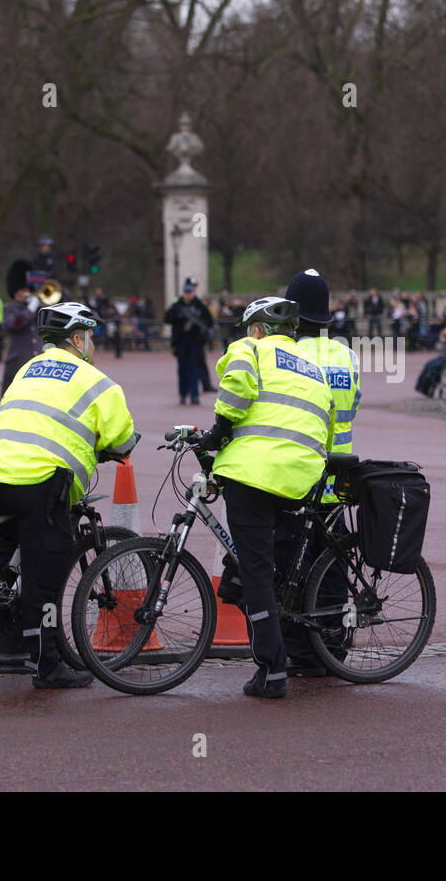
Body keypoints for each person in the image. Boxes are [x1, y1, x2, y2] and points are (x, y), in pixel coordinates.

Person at [0, 301, 137, 688]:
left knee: (9, 554)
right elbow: (124, 439)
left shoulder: (26, 369)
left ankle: (5, 622)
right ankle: (47, 666)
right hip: (39, 483)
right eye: (91, 338)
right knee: (45, 576)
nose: (93, 346)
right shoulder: (97, 382)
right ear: (78, 339)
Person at [197, 296, 334, 699]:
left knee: (255, 570)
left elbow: (237, 392)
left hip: (254, 473)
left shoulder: (249, 349)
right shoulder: (313, 368)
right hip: (301, 476)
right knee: (261, 569)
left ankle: (273, 672)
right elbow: (323, 424)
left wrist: (218, 432)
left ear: (257, 329)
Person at [280, 269, 361, 677]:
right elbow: (353, 406)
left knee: (297, 565)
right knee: (334, 569)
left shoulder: (292, 357)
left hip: (303, 472)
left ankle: (305, 654)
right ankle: (335, 648)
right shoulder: (347, 356)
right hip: (339, 476)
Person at [164, 276, 213, 405]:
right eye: (186, 293)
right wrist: (179, 316)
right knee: (182, 370)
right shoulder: (177, 305)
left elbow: (209, 321)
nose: (188, 295)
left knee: (194, 370)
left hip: (195, 342)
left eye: (190, 292)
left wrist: (201, 330)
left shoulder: (199, 305)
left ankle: (194, 395)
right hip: (181, 342)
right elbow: (167, 318)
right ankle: (183, 395)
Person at [1, 259, 42, 396]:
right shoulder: (9, 308)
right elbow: (13, 324)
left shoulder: (39, 307)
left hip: (38, 360)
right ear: (16, 291)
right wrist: (31, 309)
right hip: (18, 360)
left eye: (28, 289)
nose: (26, 292)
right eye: (23, 289)